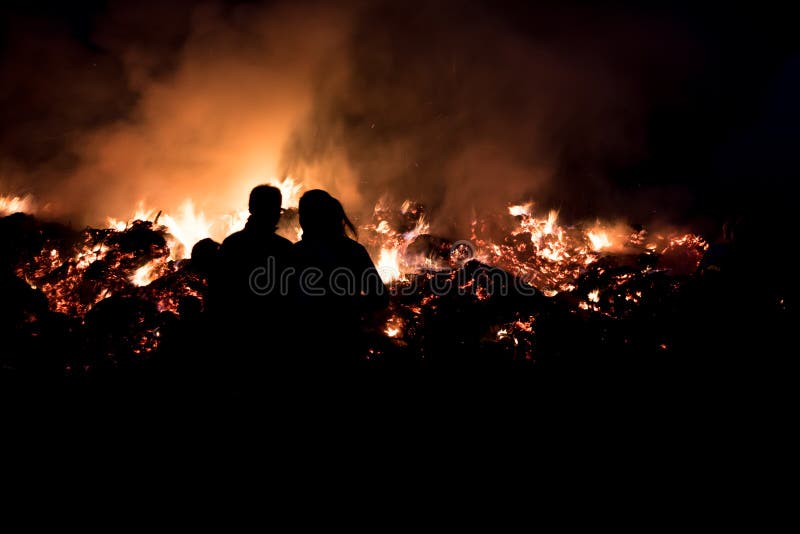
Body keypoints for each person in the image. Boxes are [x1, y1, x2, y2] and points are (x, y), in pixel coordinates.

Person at [289, 190, 388, 365]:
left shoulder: (296, 253)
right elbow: (379, 297)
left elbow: (380, 297)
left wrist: (344, 305)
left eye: (304, 215)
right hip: (337, 343)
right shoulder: (353, 250)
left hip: (319, 344)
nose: (301, 220)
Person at [217, 185, 292, 389]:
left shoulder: (232, 244)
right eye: (275, 209)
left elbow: (218, 295)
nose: (276, 215)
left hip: (237, 340)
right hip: (271, 341)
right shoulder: (284, 249)